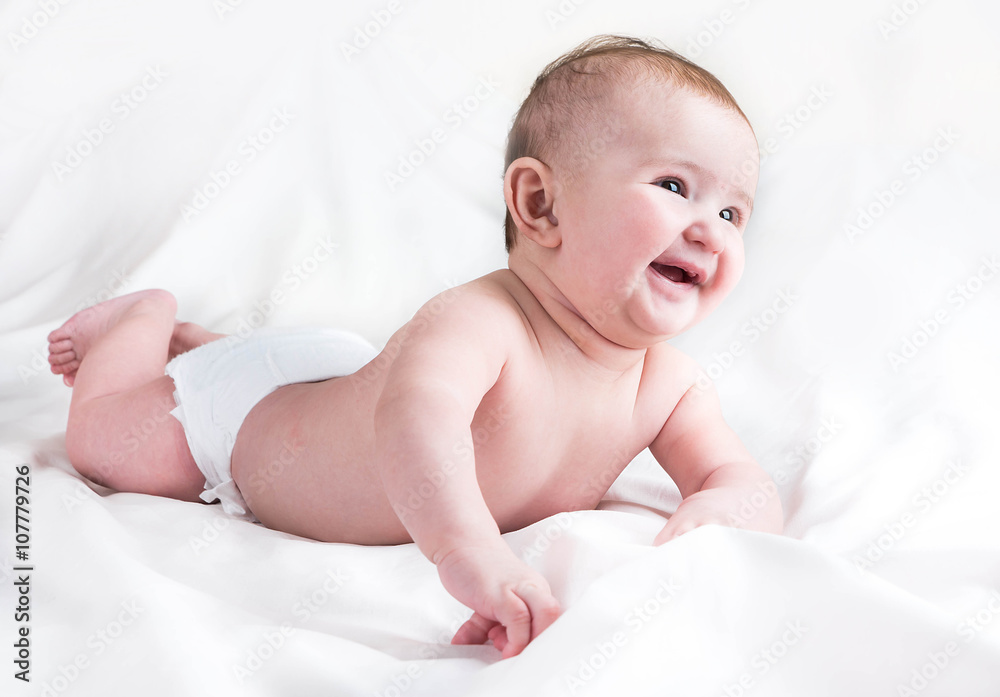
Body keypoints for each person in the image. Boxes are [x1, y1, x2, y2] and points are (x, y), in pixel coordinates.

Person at [47, 35, 781, 659]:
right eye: (674, 185)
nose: (709, 229)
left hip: (332, 374)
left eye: (730, 211)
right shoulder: (484, 321)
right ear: (540, 205)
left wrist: (723, 508)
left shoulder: (670, 384)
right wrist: (466, 547)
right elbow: (414, 422)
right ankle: (142, 322)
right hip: (242, 420)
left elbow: (738, 475)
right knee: (105, 441)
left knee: (326, 382)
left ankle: (205, 344)